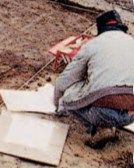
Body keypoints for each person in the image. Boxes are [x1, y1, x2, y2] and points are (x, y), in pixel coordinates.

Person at [54, 10, 134, 148]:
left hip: (102, 112)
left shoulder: (92, 45)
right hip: (131, 115)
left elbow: (65, 80)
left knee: (67, 98)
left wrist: (57, 104)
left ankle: (99, 128)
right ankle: (110, 124)